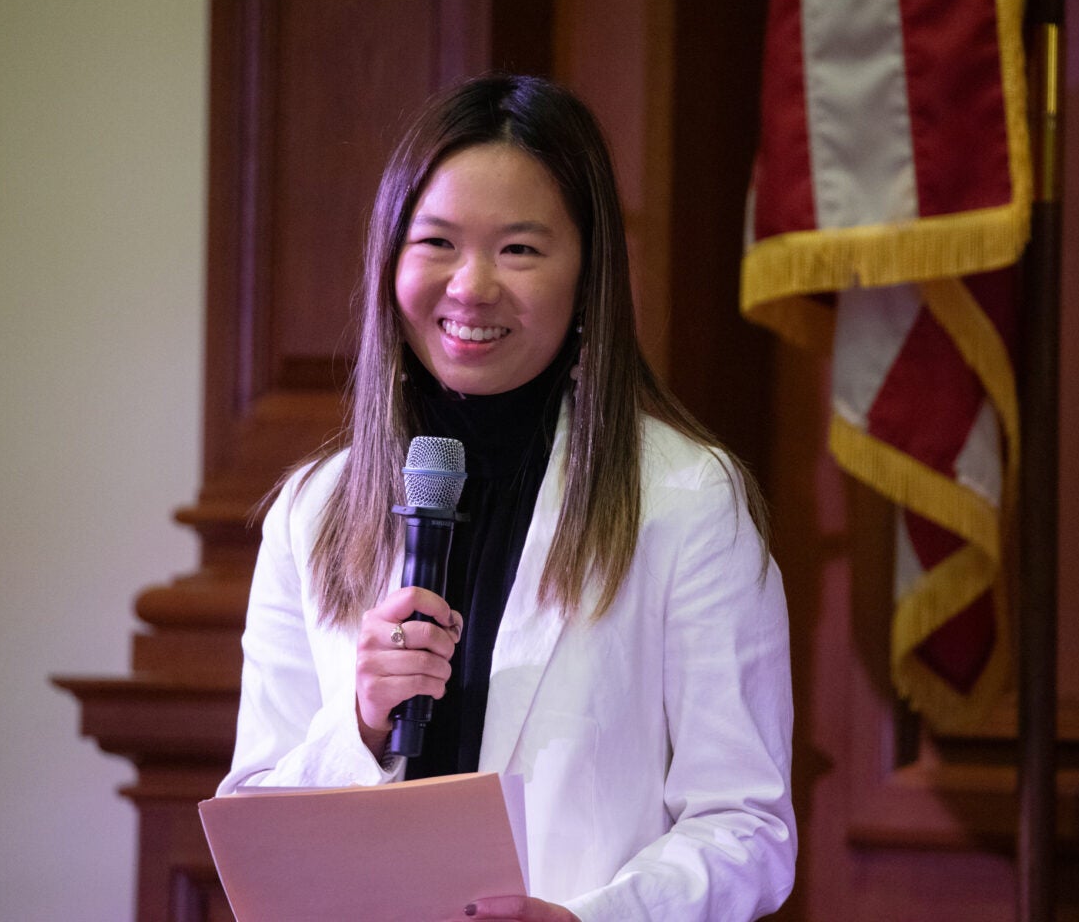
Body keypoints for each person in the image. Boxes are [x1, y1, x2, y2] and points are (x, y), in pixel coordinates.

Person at [218, 74, 796, 921]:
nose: (471, 287)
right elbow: (254, 823)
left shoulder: (686, 500)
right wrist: (363, 724)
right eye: (437, 243)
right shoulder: (314, 508)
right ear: (389, 260)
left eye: (520, 249)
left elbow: (747, 827)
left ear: (587, 273)